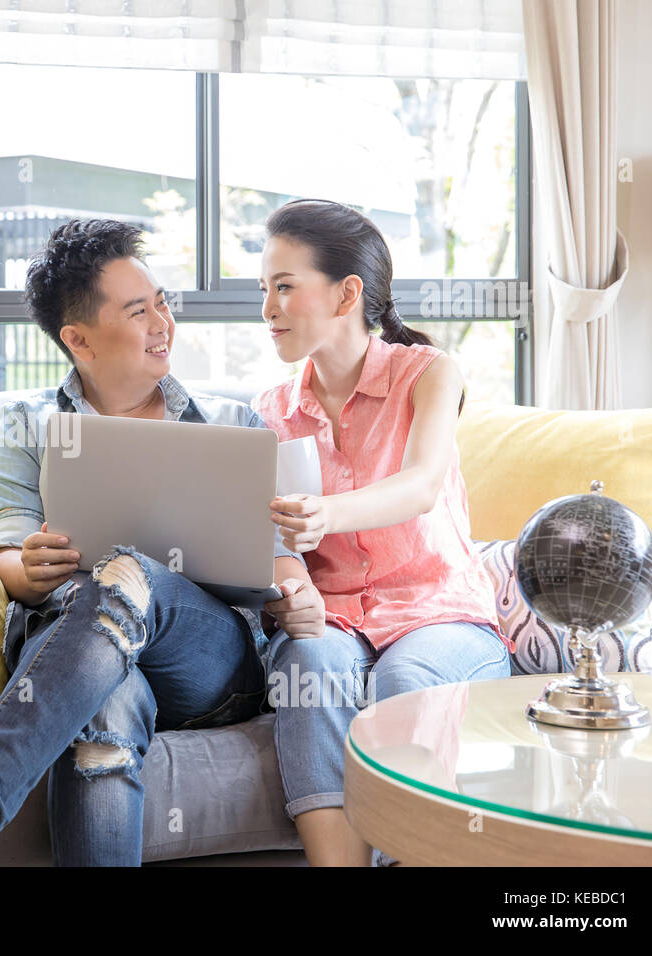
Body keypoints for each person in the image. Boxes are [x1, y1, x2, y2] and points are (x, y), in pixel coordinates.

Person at [0, 218, 319, 866]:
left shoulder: (233, 424)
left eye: (162, 304)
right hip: (77, 653)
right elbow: (5, 551)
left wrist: (297, 597)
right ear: (78, 338)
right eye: (137, 311)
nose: (162, 324)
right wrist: (25, 567)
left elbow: (283, 561)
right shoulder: (32, 425)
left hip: (205, 664)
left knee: (130, 570)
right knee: (107, 703)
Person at [251, 199, 513, 866]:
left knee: (409, 679)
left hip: (440, 613)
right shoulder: (268, 412)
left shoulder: (427, 375)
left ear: (346, 293)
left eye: (285, 287)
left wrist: (329, 514)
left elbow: (421, 485)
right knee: (306, 667)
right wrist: (292, 590)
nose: (268, 309)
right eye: (264, 291)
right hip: (334, 621)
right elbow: (272, 539)